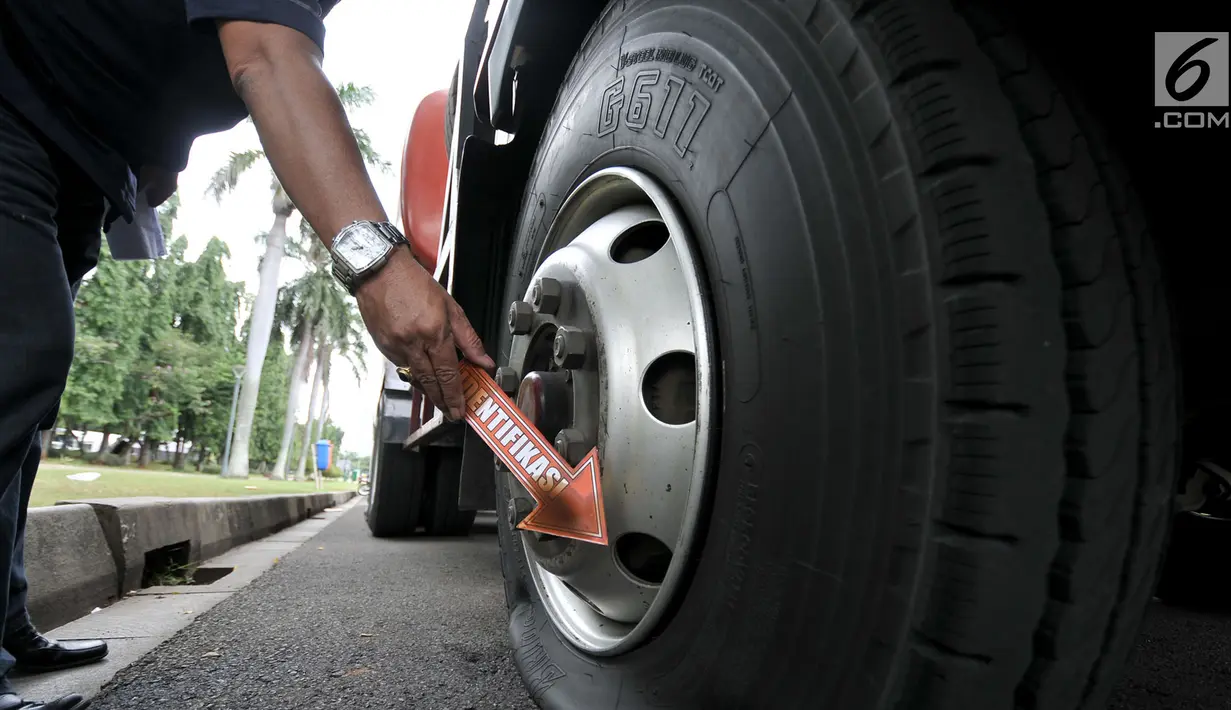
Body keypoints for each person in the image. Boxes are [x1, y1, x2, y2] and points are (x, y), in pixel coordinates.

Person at [0, 1, 494, 707]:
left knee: (29, 399)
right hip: (16, 92)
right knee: (18, 355)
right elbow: (262, 52)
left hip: (83, 150)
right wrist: (378, 267)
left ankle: (10, 619)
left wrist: (156, 158)